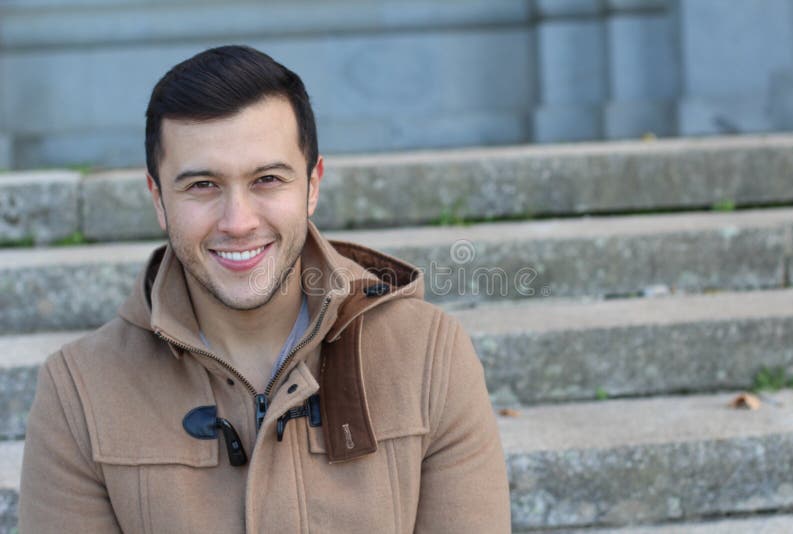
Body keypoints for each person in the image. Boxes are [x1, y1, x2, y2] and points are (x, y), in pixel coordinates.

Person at [19, 45, 510, 533]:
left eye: (268, 179)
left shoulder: (430, 356)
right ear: (158, 199)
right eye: (202, 186)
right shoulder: (79, 392)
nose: (238, 222)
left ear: (313, 185)